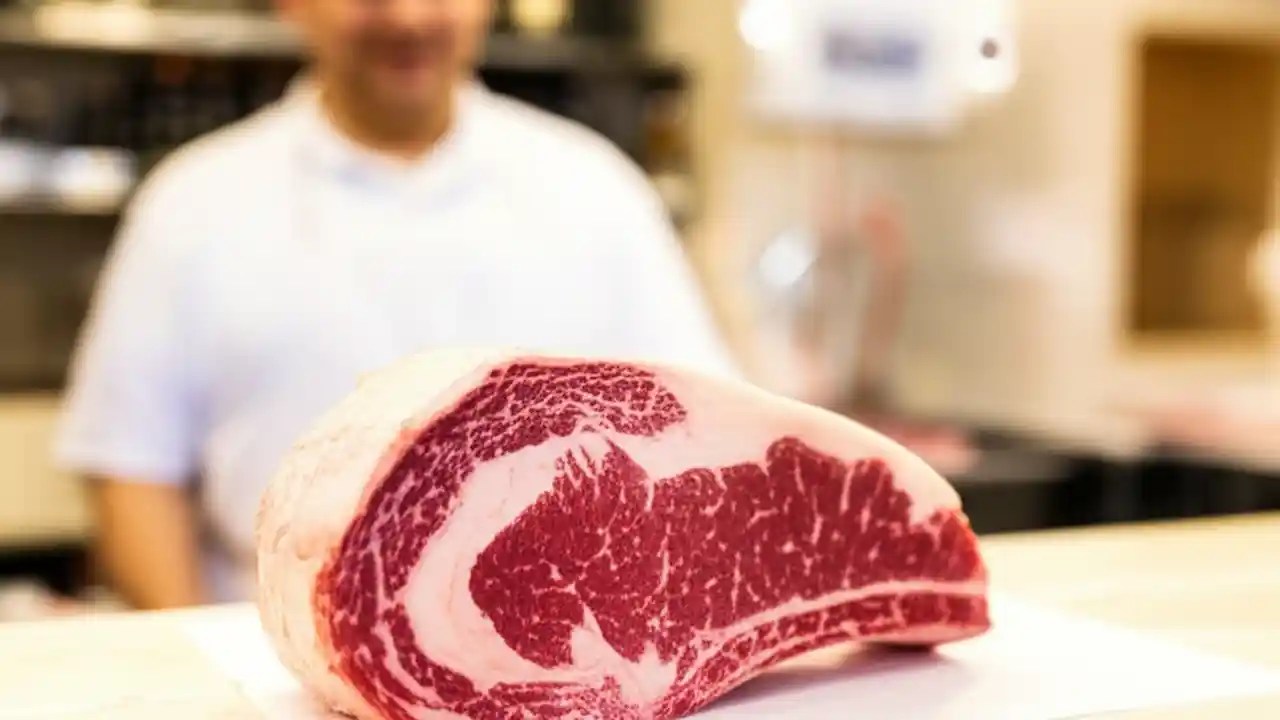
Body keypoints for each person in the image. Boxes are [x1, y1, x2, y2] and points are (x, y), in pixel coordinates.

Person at [55, 0, 734, 609]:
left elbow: (702, 430)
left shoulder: (596, 190)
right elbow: (130, 466)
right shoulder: (194, 202)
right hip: (265, 657)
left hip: (551, 654)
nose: (409, 18)